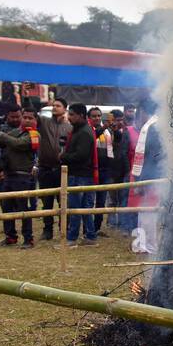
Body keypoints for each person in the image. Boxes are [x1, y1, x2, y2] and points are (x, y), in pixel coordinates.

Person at [0, 107, 37, 248]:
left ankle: (28, 239)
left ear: (36, 120)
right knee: (6, 208)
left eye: (31, 118)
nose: (27, 120)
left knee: (24, 209)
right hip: (9, 175)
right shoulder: (16, 132)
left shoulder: (34, 134)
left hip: (23, 176)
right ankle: (10, 237)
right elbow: (1, 143)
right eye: (25, 117)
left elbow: (18, 144)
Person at [31, 96, 71, 241]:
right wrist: (28, 96)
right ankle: (47, 230)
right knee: (46, 203)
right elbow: (33, 113)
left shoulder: (70, 127)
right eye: (53, 105)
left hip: (62, 170)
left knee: (63, 202)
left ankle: (63, 229)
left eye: (58, 106)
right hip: (45, 169)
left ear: (65, 109)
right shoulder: (44, 122)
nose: (55, 107)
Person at [128, 103, 164, 254]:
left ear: (143, 111)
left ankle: (148, 245)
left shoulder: (153, 126)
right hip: (154, 175)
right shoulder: (155, 125)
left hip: (152, 176)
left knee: (148, 212)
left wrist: (141, 179)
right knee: (147, 211)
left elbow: (150, 155)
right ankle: (147, 244)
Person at [63, 103, 99, 245]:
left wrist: (63, 157)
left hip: (80, 175)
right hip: (83, 175)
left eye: (72, 114)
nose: (69, 117)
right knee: (84, 208)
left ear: (81, 115)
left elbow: (81, 156)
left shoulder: (83, 132)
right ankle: (90, 236)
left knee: (76, 208)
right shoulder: (81, 130)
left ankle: (72, 238)